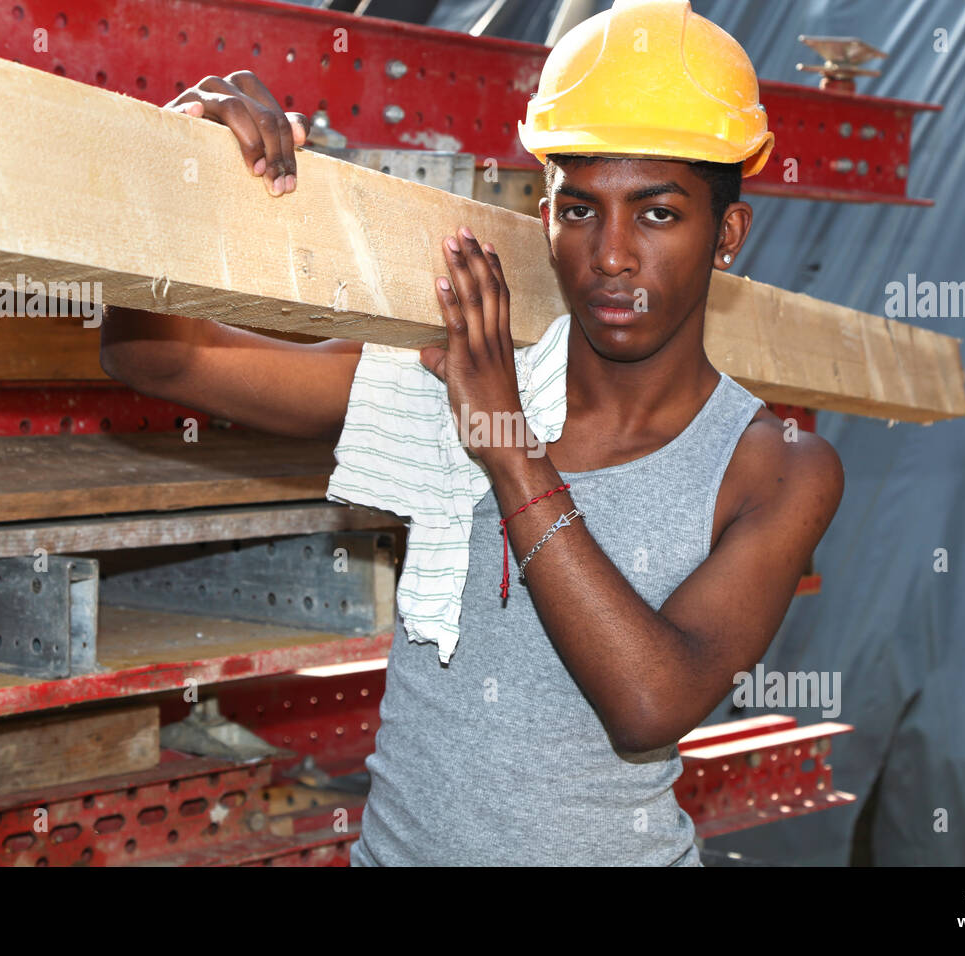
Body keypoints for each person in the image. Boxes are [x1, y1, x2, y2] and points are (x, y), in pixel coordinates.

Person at [100, 0, 843, 866]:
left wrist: (504, 442)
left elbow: (650, 701)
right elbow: (159, 362)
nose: (609, 254)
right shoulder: (462, 369)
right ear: (544, 219)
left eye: (657, 213)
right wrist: (170, 173)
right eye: (578, 210)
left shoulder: (774, 468)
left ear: (728, 234)